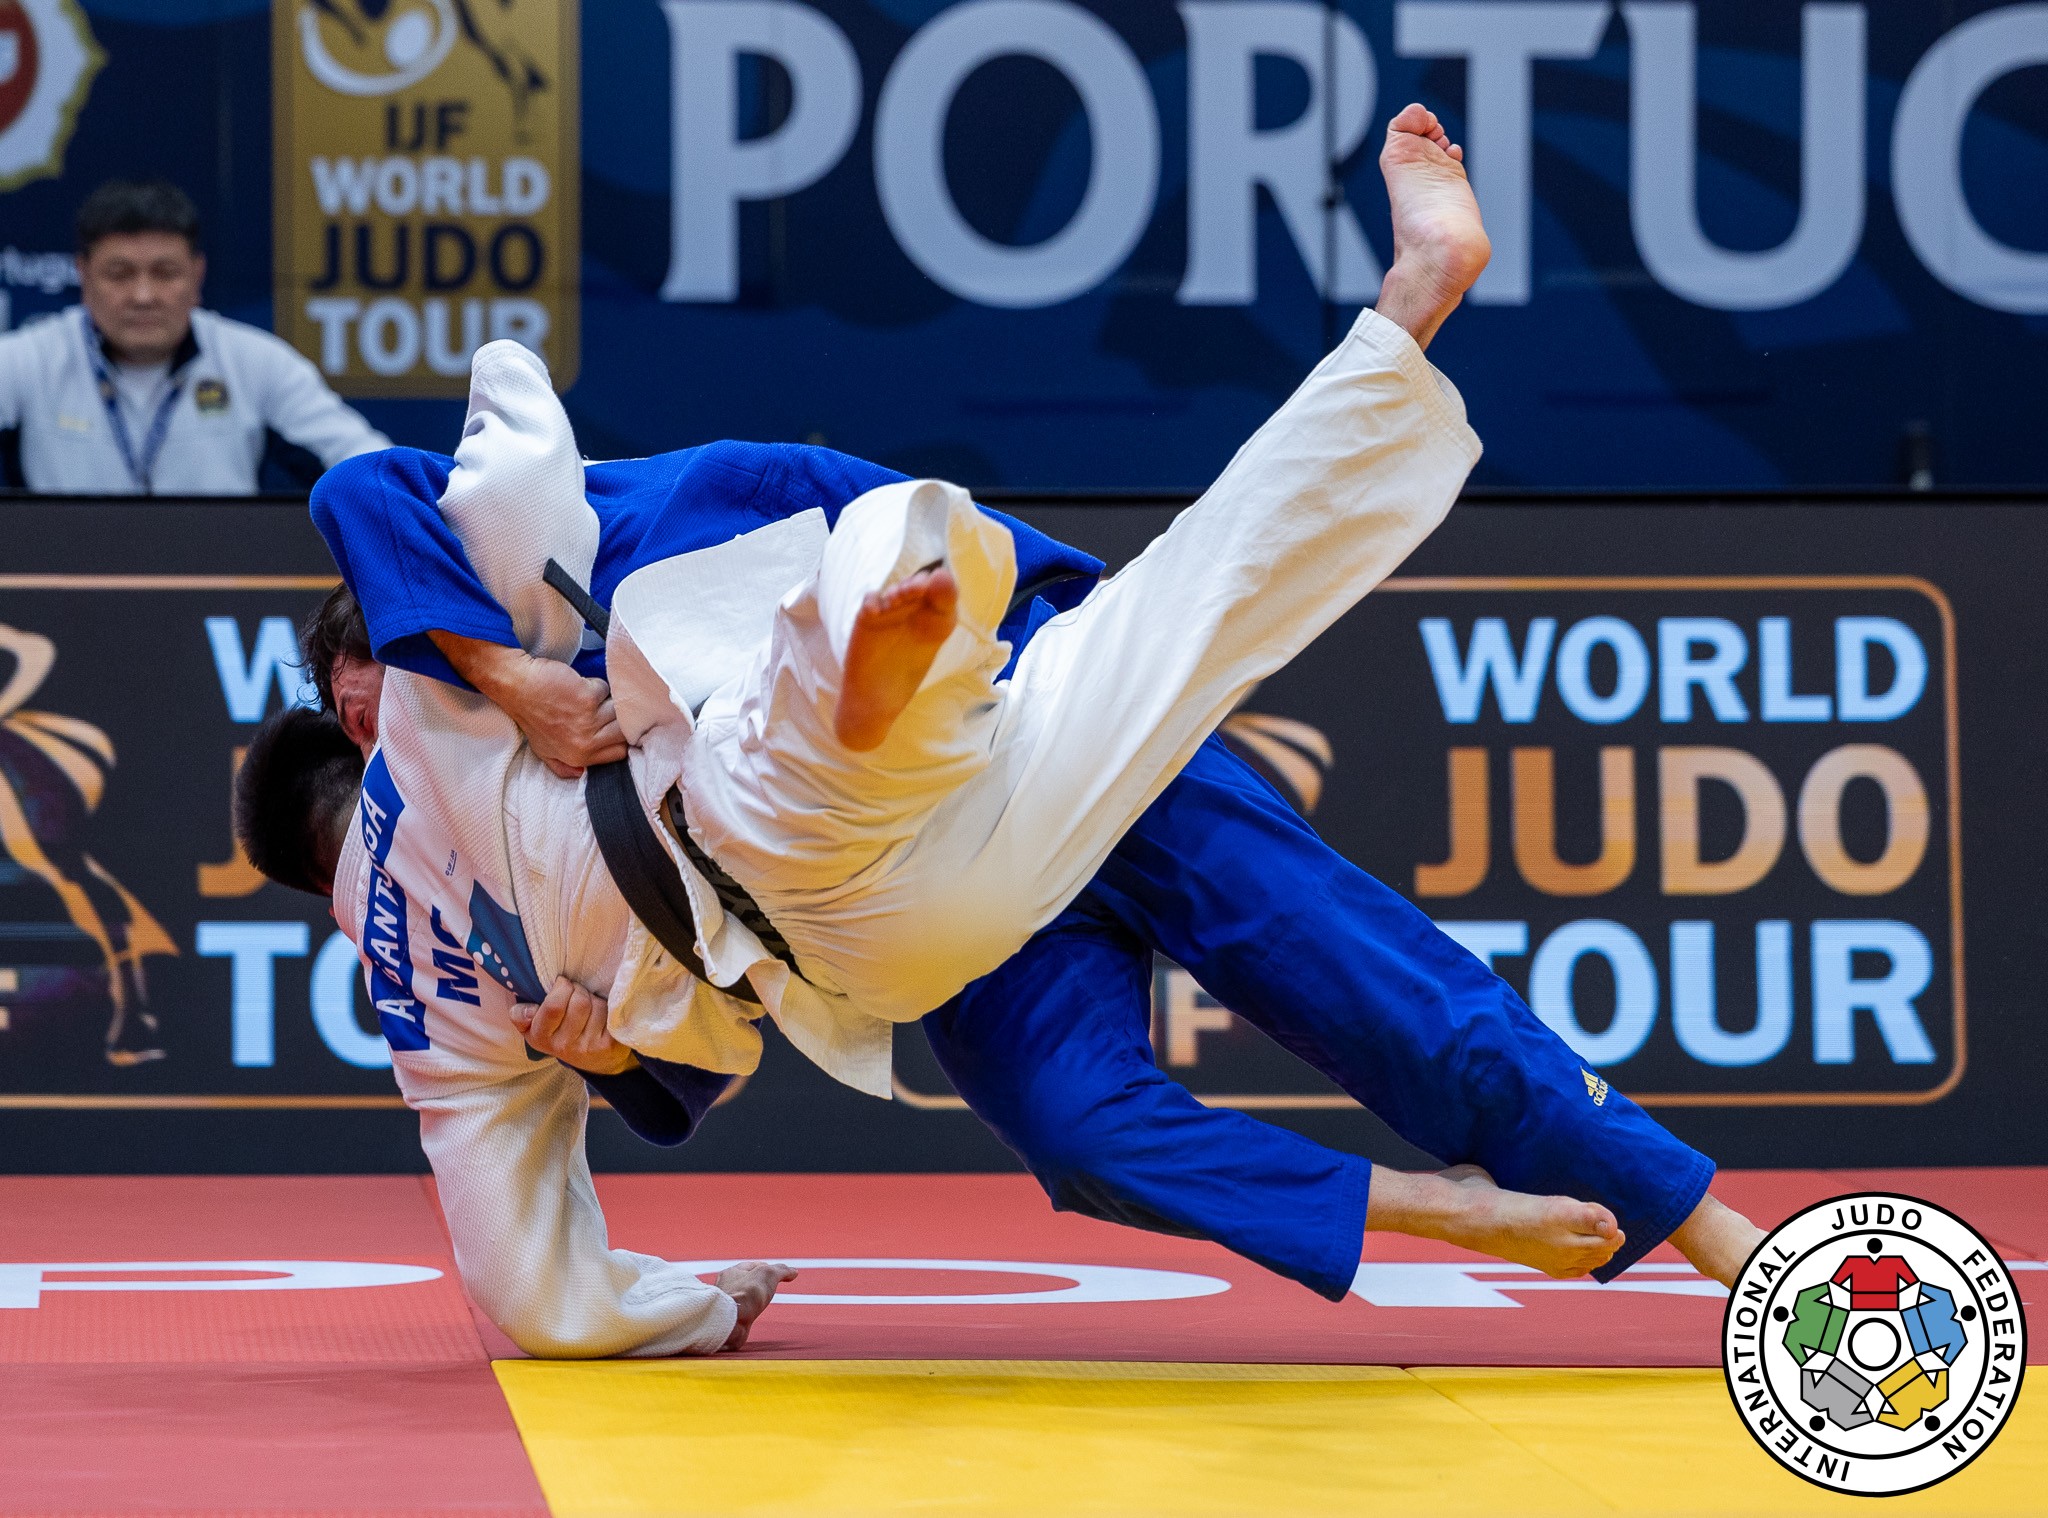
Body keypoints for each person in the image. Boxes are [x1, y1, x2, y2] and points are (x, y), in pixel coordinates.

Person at [246, 108, 1763, 1358]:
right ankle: (1423, 1205)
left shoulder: (503, 574)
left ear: (398, 625)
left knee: (1372, 985)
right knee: (1078, 1133)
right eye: (367, 730)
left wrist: (499, 673)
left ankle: (1722, 1238)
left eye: (374, 695)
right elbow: (698, 1027)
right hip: (909, 890)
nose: (385, 743)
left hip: (985, 676)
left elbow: (365, 490)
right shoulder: (472, 827)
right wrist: (600, 1059)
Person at [0, 179, 387, 494]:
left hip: (223, 567)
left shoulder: (256, 362)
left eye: (165, 273)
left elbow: (371, 466)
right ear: (84, 276)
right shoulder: (26, 360)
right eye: (119, 274)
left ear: (197, 276)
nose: (143, 296)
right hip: (60, 566)